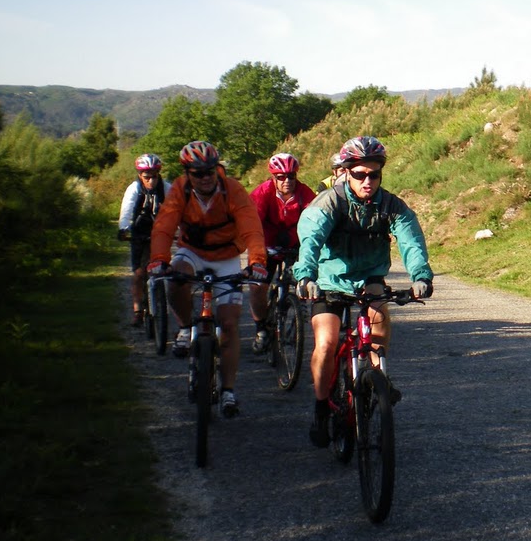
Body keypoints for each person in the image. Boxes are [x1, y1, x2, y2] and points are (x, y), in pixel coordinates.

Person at [294, 136, 434, 447]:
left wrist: (421, 277)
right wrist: (305, 277)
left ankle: (377, 376)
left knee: (378, 318)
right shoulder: (329, 203)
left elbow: (410, 240)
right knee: (326, 343)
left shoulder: (391, 205)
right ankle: (321, 407)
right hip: (328, 281)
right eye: (359, 174)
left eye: (374, 174)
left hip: (369, 276)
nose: (367, 181)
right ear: (346, 173)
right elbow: (310, 240)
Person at [147, 141, 267, 417]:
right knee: (175, 277)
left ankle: (228, 391)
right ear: (187, 173)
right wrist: (159, 258)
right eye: (197, 173)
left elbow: (251, 227)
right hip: (193, 252)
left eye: (209, 171)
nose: (205, 178)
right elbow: (164, 226)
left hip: (226, 257)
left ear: (217, 169)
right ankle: (185, 327)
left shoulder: (232, 189)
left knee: (229, 324)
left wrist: (257, 261)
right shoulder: (180, 189)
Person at [247, 152, 317, 353]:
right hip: (266, 244)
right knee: (257, 286)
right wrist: (257, 254)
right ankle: (261, 329)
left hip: (295, 244)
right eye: (281, 177)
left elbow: (316, 220)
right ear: (273, 177)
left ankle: (297, 310)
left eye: (291, 176)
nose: (287, 181)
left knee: (305, 277)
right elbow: (252, 225)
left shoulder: (305, 193)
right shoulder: (262, 193)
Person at [117, 153, 172, 326]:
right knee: (139, 273)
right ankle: (138, 310)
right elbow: (127, 209)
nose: (151, 181)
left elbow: (177, 208)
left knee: (166, 271)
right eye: (147, 177)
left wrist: (182, 228)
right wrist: (123, 228)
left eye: (154, 176)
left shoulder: (166, 187)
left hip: (160, 232)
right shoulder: (134, 188)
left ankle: (163, 303)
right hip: (139, 232)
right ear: (140, 175)